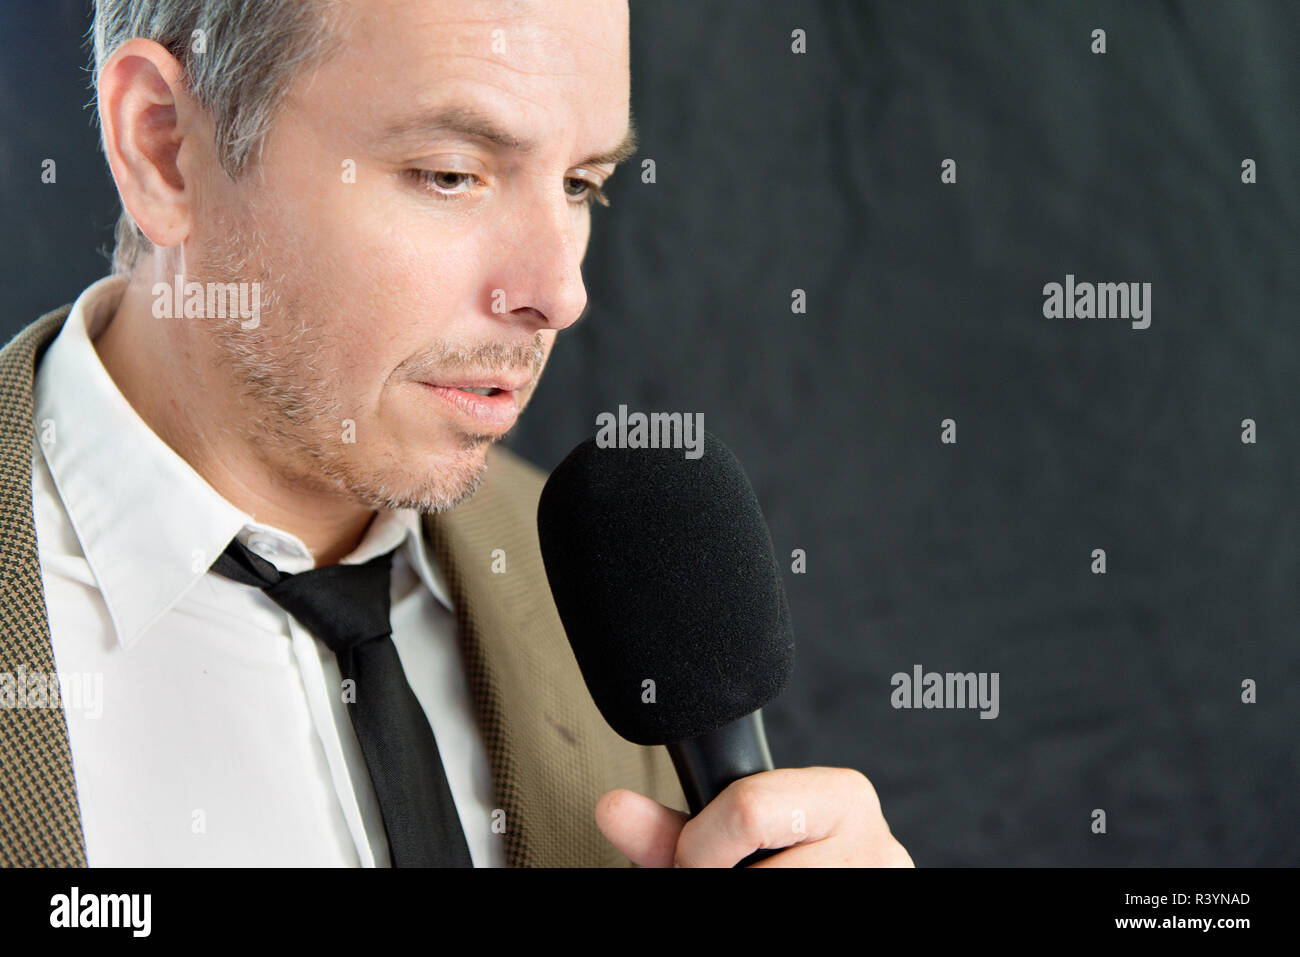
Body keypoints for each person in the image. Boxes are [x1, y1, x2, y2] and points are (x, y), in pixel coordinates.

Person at [0, 0, 912, 868]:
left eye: (581, 184)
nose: (559, 293)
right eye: (451, 174)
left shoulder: (619, 600)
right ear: (164, 146)